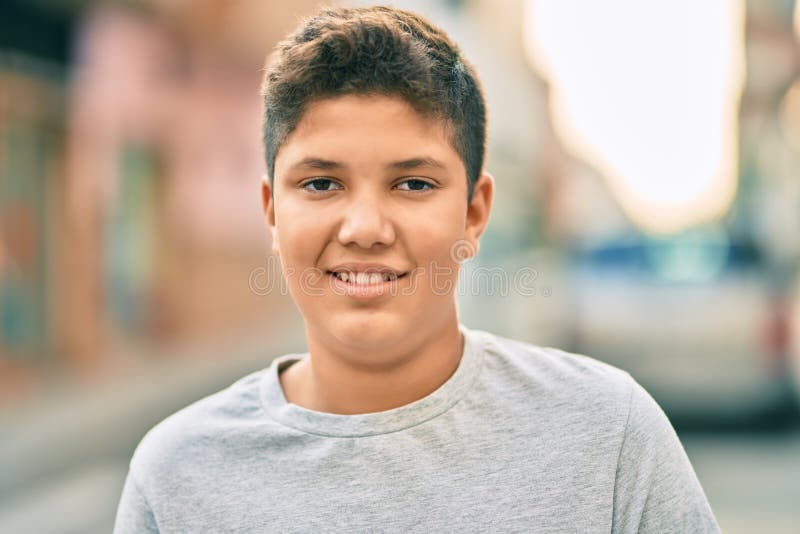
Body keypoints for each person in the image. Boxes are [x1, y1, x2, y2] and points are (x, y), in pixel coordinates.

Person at [113, 6, 721, 532]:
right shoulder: (176, 476)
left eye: (413, 183)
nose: (365, 228)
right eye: (321, 183)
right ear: (273, 213)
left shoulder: (608, 435)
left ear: (474, 213)